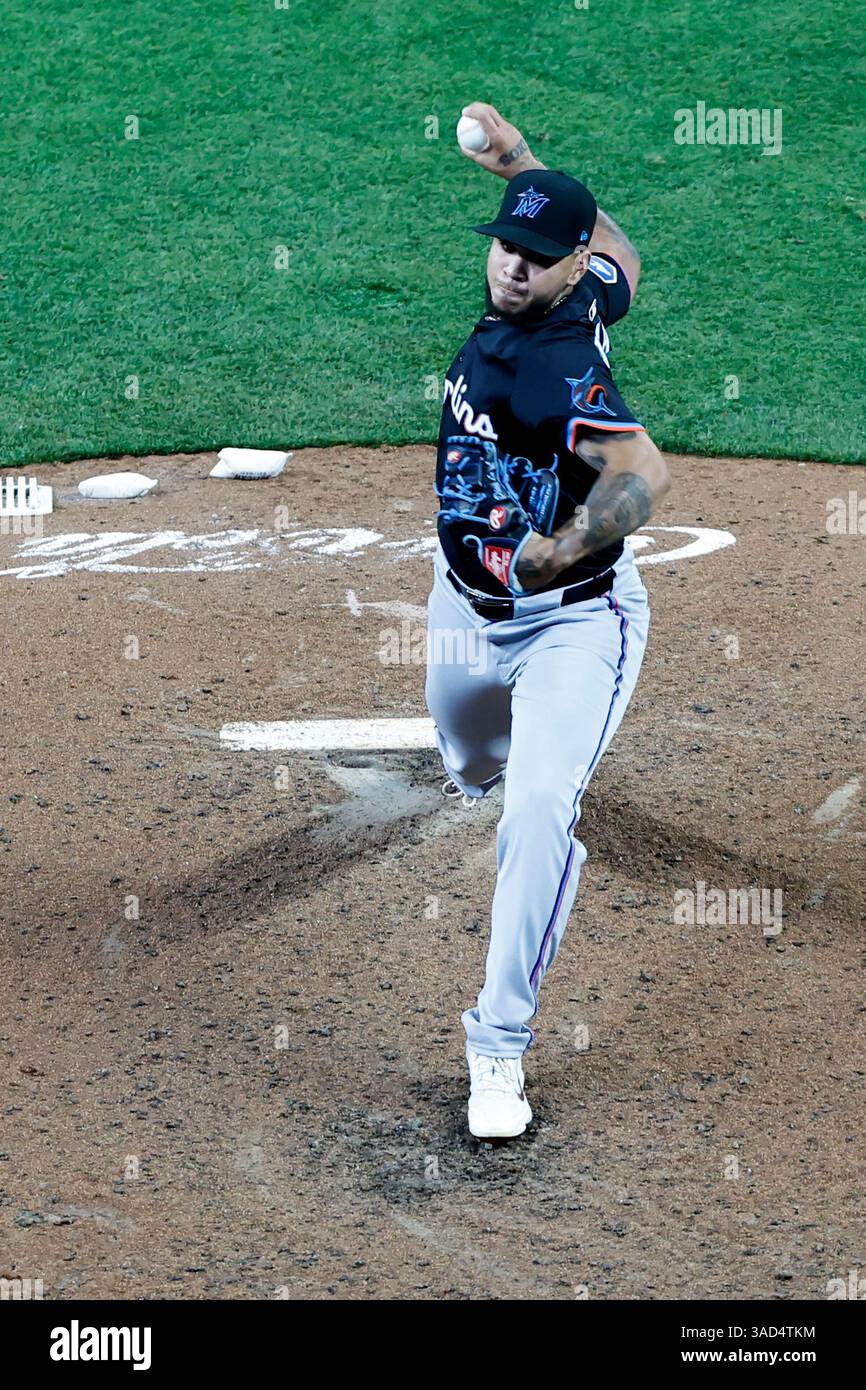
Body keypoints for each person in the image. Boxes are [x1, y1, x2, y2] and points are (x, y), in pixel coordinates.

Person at [425, 103, 670, 1139]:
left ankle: (497, 1048)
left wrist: (561, 548)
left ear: (562, 273)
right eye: (504, 249)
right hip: (463, 609)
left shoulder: (560, 364)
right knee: (469, 761)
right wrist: (521, 164)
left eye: (533, 258)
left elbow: (641, 472)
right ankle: (490, 754)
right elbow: (627, 256)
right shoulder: (585, 275)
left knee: (532, 814)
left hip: (573, 618)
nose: (509, 272)